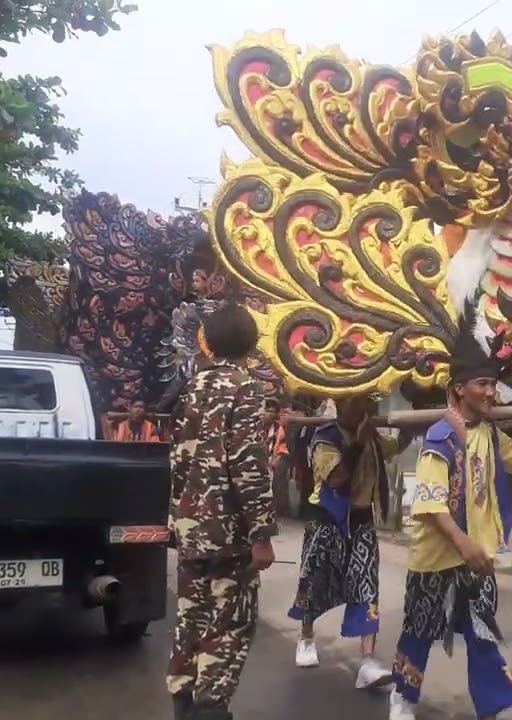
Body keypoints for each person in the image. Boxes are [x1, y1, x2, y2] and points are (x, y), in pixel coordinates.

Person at [387, 331, 512, 720]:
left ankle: (491, 705)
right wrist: (465, 543)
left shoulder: (490, 432)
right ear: (459, 389)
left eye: (493, 384)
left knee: (482, 632)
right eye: (482, 384)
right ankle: (403, 695)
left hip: (476, 559)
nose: (491, 392)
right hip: (438, 558)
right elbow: (429, 505)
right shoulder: (441, 436)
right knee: (420, 630)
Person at [166, 303, 278, 720]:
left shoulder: (191, 387)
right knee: (229, 626)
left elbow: (178, 460)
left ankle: (183, 703)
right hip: (228, 536)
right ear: (252, 344)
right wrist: (261, 534)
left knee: (190, 621)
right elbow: (249, 464)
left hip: (191, 529)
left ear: (207, 343)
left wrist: (176, 522)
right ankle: (211, 709)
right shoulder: (245, 388)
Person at [289, 395, 411, 690]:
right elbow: (336, 479)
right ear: (341, 404)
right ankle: (306, 637)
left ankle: (367, 661)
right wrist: (358, 442)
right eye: (357, 403)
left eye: (366, 403)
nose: (364, 409)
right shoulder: (324, 437)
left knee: (367, 587)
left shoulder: (372, 435)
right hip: (328, 520)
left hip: (361, 523)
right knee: (315, 582)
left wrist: (412, 426)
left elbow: (394, 448)